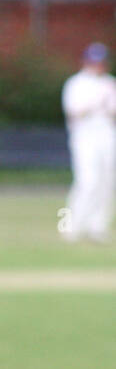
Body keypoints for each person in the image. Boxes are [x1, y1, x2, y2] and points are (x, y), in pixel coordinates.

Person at [61, 42, 116, 243]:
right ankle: (71, 227)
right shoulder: (76, 83)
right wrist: (95, 102)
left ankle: (98, 226)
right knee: (88, 181)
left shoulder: (110, 82)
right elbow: (74, 113)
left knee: (107, 181)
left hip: (107, 136)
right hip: (85, 138)